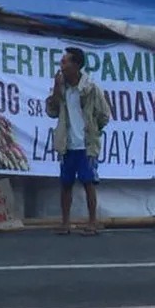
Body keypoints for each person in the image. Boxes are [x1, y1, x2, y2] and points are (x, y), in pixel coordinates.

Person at [45, 47, 111, 236]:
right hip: (68, 143)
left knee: (88, 182)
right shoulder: (62, 87)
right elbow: (52, 112)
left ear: (76, 65)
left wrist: (92, 131)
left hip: (85, 144)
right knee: (65, 183)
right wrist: (56, 90)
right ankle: (65, 222)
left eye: (65, 62)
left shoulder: (90, 88)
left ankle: (92, 222)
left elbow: (104, 115)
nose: (61, 66)